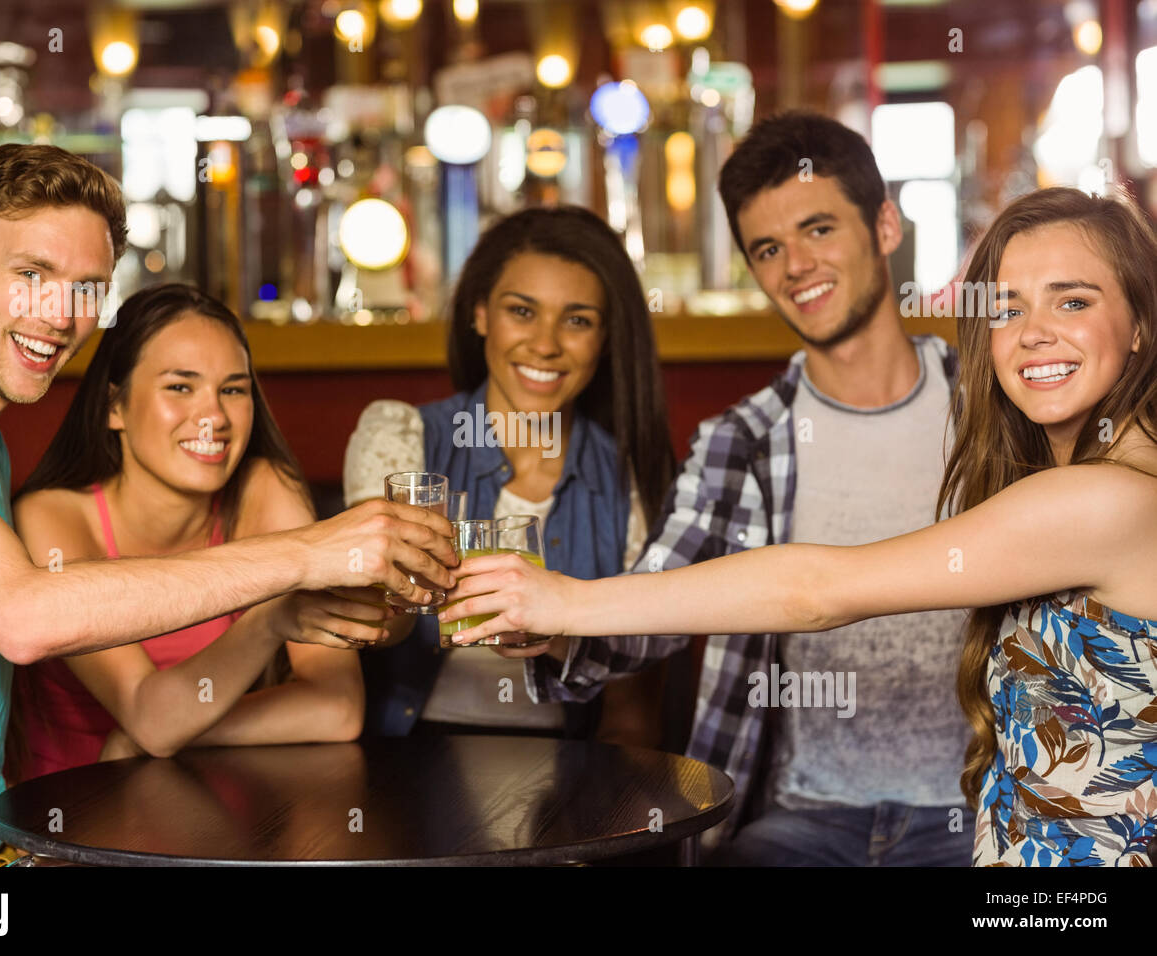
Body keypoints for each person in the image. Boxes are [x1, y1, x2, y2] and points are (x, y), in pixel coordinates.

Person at [448, 185, 1157, 867]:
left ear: (1141, 326)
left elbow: (816, 590)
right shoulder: (1072, 480)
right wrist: (560, 624)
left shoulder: (1105, 501)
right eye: (1005, 309)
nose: (1034, 332)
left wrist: (563, 598)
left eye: (1073, 300)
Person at [0, 144, 455, 867]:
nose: (58, 316)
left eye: (87, 288)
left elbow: (330, 705)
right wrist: (306, 554)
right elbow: (21, 616)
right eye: (31, 275)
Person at [479, 112, 978, 866]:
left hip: (979, 809)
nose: (796, 266)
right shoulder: (739, 441)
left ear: (884, 225)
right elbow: (659, 598)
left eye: (818, 229)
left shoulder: (993, 410)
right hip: (804, 819)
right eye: (768, 248)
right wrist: (551, 624)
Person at [7, 284, 379, 780]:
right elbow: (150, 715)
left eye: (233, 389)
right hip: (71, 828)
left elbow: (338, 708)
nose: (214, 418)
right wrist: (268, 620)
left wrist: (159, 739)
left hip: (211, 819)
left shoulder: (262, 490)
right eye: (180, 387)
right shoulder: (52, 518)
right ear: (113, 407)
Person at [342, 206, 676, 743]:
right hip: (406, 756)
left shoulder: (631, 476)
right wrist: (399, 592)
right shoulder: (400, 436)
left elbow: (630, 711)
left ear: (607, 338)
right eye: (522, 311)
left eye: (577, 320)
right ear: (479, 314)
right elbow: (380, 622)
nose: (545, 344)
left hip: (570, 766)